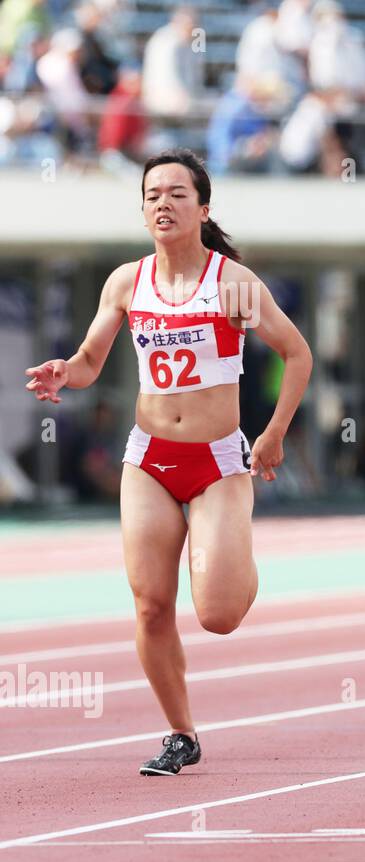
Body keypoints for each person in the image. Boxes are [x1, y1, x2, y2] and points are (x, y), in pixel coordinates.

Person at [24, 148, 312, 773]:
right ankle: (181, 733)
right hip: (149, 460)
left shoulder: (232, 283)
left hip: (218, 464)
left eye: (178, 194)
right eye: (153, 193)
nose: (163, 203)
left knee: (218, 616)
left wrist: (274, 433)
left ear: (203, 209)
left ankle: (237, 563)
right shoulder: (127, 282)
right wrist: (64, 373)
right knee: (151, 604)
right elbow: (91, 360)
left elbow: (298, 354)